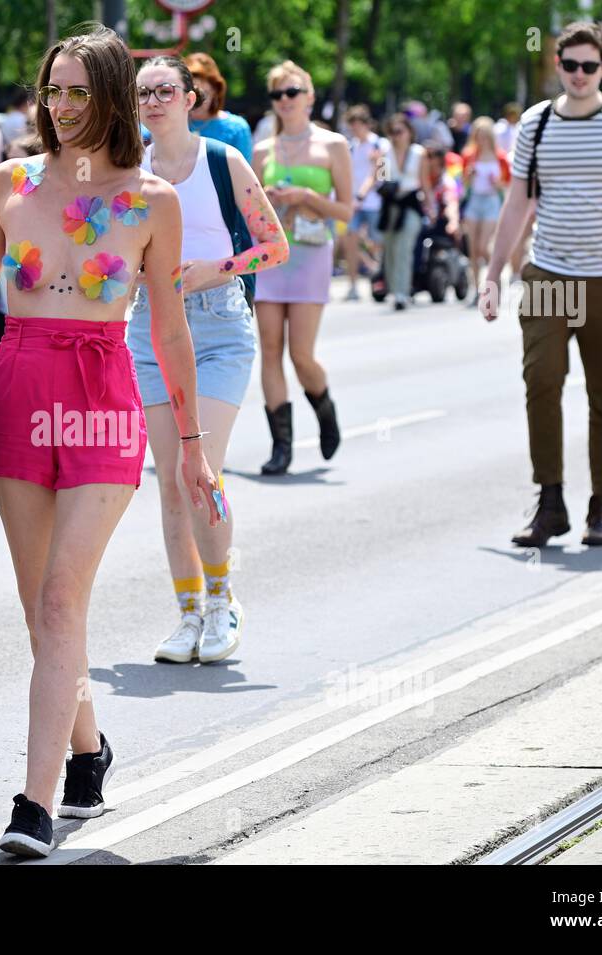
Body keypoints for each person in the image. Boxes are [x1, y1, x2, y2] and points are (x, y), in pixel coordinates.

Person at [0, 24, 219, 859]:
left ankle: (32, 804)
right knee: (45, 605)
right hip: (19, 385)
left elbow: (171, 330)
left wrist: (191, 443)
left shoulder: (155, 201)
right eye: (54, 90)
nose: (63, 106)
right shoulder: (11, 181)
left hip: (105, 394)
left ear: (109, 96)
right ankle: (87, 747)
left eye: (79, 91)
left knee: (61, 596)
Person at [480, 20, 602, 548]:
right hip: (549, 270)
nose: (580, 75)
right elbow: (518, 201)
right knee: (541, 380)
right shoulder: (537, 124)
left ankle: (601, 507)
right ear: (558, 66)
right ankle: (550, 501)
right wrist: (492, 274)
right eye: (570, 65)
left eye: (590, 66)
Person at [129, 55, 288, 665]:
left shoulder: (223, 161)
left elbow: (274, 246)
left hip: (219, 324)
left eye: (166, 90)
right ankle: (189, 613)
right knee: (169, 484)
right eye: (144, 93)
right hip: (149, 326)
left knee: (199, 474)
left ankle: (223, 600)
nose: (154, 101)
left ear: (191, 99)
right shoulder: (129, 171)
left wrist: (213, 270)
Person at [251, 60, 352, 475]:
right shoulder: (262, 151)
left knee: (301, 354)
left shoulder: (332, 145)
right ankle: (281, 447)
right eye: (278, 95)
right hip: (272, 257)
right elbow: (249, 211)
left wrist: (306, 195)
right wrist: (272, 200)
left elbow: (345, 209)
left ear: (309, 96)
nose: (285, 101)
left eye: (292, 93)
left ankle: (324, 407)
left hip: (310, 255)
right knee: (270, 351)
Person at [378, 112, 429, 311]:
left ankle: (402, 292)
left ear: (409, 132)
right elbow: (380, 179)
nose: (396, 136)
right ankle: (394, 289)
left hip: (410, 203)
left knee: (404, 248)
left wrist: (431, 206)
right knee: (390, 248)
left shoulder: (419, 153)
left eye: (399, 131)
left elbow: (424, 182)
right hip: (390, 204)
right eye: (392, 132)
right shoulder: (384, 151)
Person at [460, 117, 510, 307]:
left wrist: (497, 183)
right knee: (472, 249)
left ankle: (495, 276)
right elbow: (462, 184)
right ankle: (476, 289)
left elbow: (508, 183)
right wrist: (468, 176)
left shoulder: (500, 157)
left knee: (483, 246)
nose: (480, 140)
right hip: (474, 201)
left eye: (483, 136)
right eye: (477, 136)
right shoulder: (469, 156)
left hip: (491, 201)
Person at [345, 105, 387, 301]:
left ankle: (382, 278)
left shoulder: (380, 144)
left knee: (378, 243)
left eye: (357, 125)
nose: (355, 129)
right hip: (354, 203)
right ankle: (353, 286)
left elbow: (383, 175)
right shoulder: (351, 146)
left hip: (374, 202)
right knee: (351, 242)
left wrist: (362, 194)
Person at [183, 52, 253, 161]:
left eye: (202, 94)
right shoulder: (169, 123)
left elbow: (243, 176)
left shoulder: (237, 128)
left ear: (216, 91)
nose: (195, 101)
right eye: (190, 94)